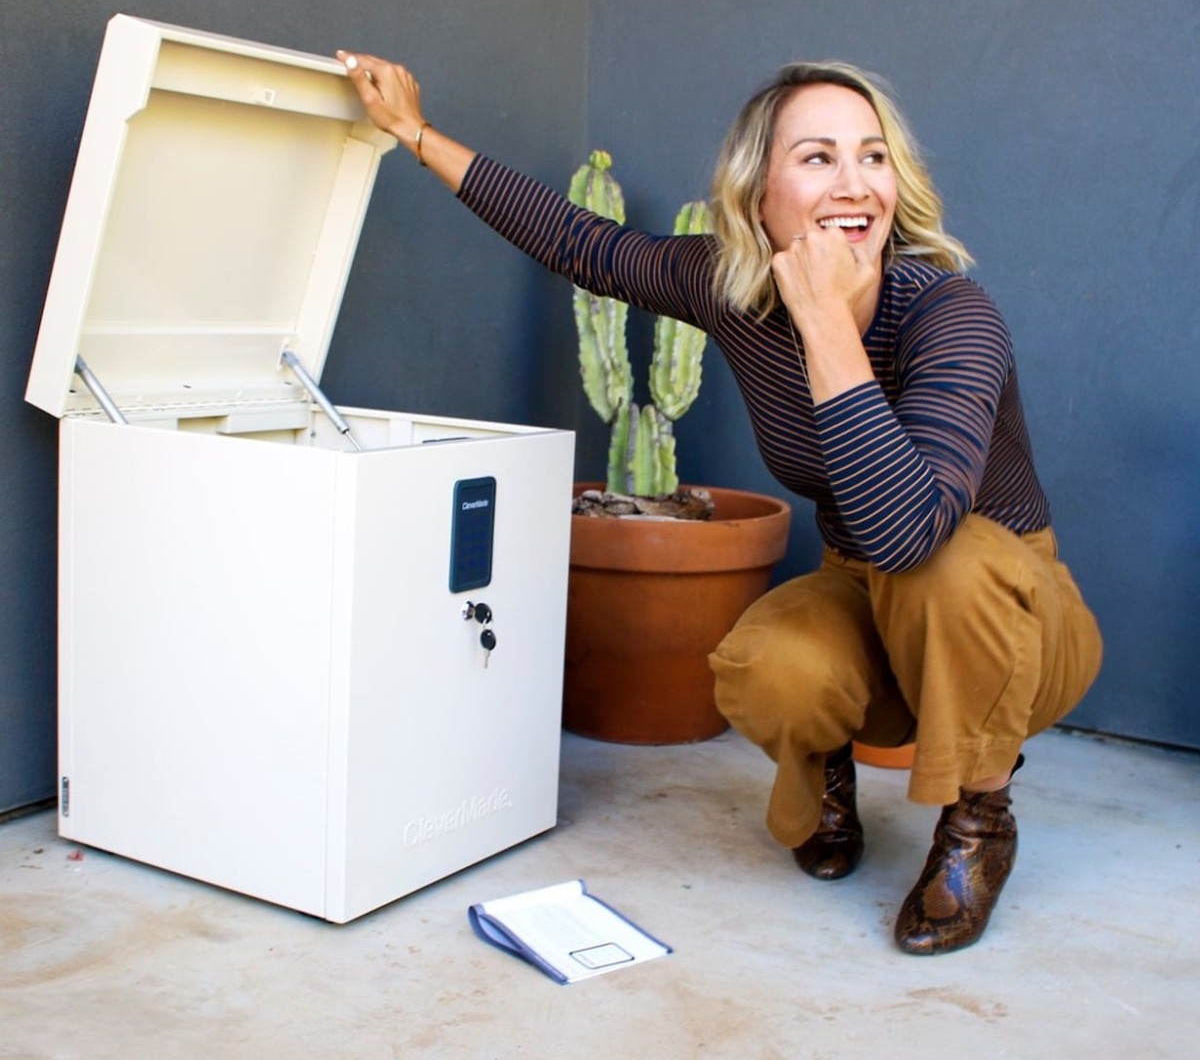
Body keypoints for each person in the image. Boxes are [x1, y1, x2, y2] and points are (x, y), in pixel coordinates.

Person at [337, 48, 1103, 955]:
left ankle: (980, 819)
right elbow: (585, 244)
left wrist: (826, 320)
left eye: (873, 155)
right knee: (768, 662)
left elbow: (909, 532)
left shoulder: (951, 316)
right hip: (866, 590)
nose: (853, 183)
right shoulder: (734, 287)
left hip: (1009, 621)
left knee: (955, 561)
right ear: (757, 195)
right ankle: (828, 777)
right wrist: (417, 135)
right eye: (817, 157)